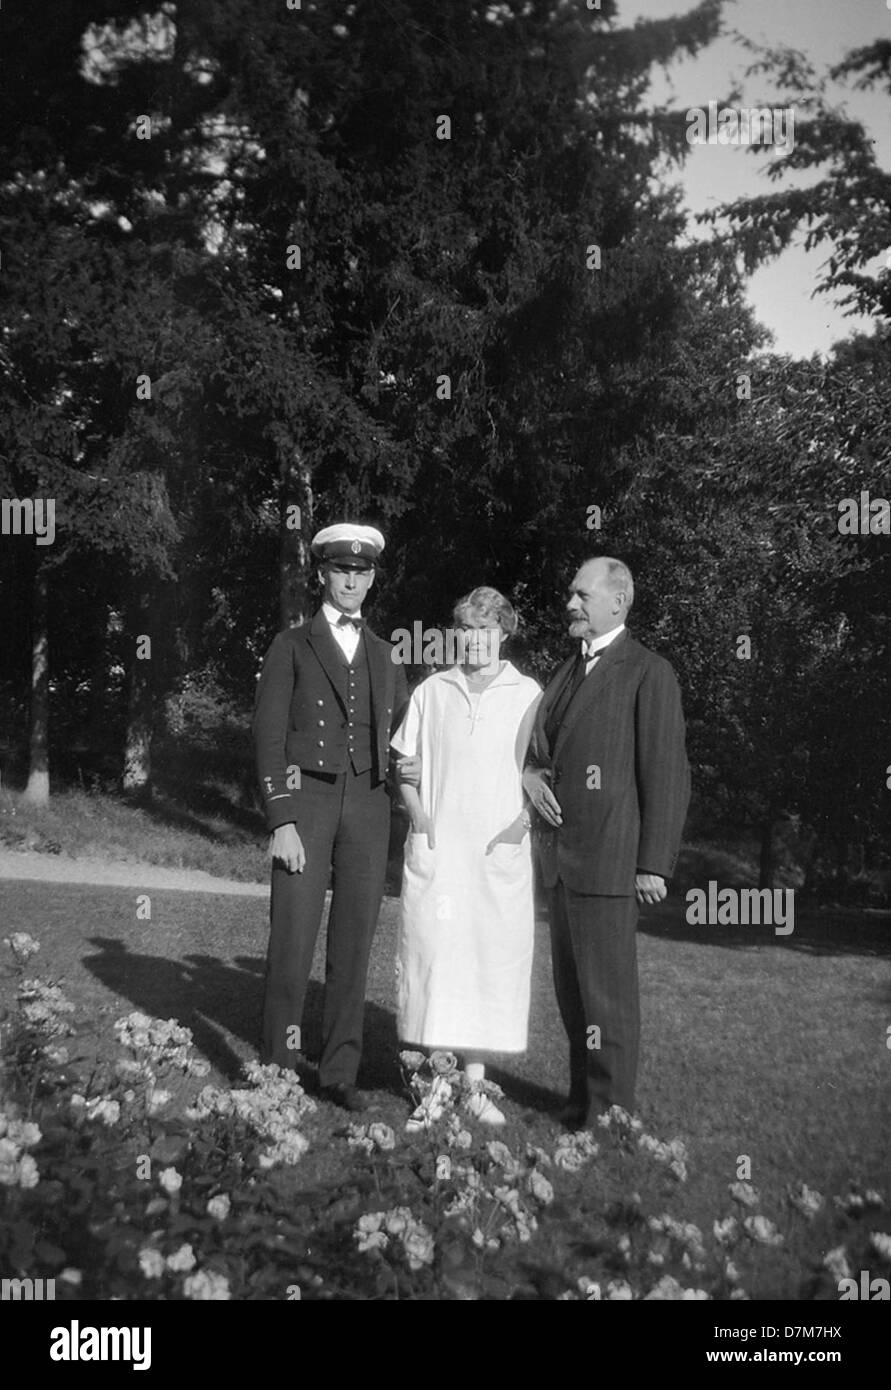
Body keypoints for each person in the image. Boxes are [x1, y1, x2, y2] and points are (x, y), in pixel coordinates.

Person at [523, 557, 690, 1127]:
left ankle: (612, 1116)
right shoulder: (569, 668)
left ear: (618, 601)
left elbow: (667, 772)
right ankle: (582, 1102)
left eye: (581, 593)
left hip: (613, 861)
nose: (570, 602)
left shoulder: (649, 671)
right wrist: (529, 775)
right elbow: (545, 751)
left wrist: (654, 865)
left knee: (608, 998)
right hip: (563, 864)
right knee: (573, 995)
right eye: (570, 593)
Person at [252, 523, 408, 1112]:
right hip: (307, 804)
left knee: (353, 943)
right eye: (342, 570)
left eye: (362, 571)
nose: (352, 580)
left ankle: (340, 1071)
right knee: (291, 938)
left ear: (371, 578)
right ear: (322, 573)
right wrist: (281, 820)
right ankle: (278, 1067)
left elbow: (409, 734)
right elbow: (268, 738)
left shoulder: (384, 653)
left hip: (368, 806)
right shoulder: (291, 645)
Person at [392, 587, 542, 1127]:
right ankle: (437, 1086)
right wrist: (419, 816)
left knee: (487, 963)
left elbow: (543, 774)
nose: (475, 640)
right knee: (438, 959)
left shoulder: (527, 694)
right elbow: (404, 762)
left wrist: (521, 825)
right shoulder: (434, 690)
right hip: (441, 850)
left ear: (503, 632)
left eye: (486, 629)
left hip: (496, 853)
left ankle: (476, 1088)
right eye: (466, 630)